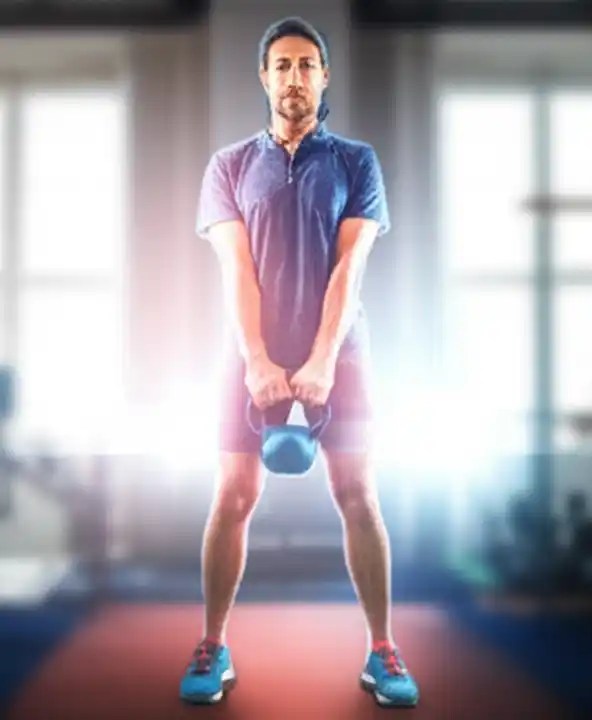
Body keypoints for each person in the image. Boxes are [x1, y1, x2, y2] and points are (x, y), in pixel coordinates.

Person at [178, 16, 418, 708]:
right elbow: (237, 271)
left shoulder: (355, 162)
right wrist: (258, 360)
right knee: (233, 497)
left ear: (324, 76)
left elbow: (351, 266)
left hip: (343, 352)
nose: (294, 77)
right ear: (263, 77)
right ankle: (213, 644)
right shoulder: (228, 166)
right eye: (281, 65)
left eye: (307, 64)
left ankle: (381, 650)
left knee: (358, 496)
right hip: (245, 352)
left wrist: (321, 360)